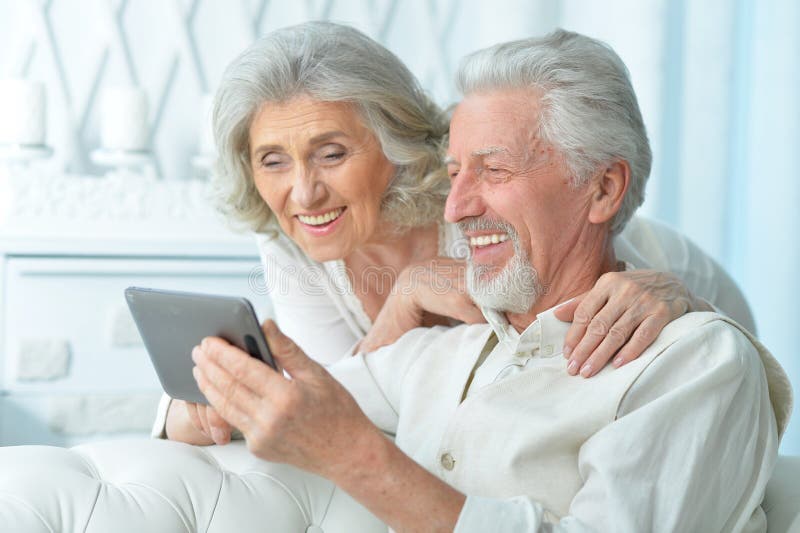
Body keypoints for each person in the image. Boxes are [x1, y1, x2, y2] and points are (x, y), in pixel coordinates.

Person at [190, 29, 791, 531]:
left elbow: (609, 286)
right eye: (455, 173)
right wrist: (193, 405)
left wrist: (356, 455)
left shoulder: (689, 355)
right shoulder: (435, 346)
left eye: (494, 169)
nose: (456, 206)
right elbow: (291, 396)